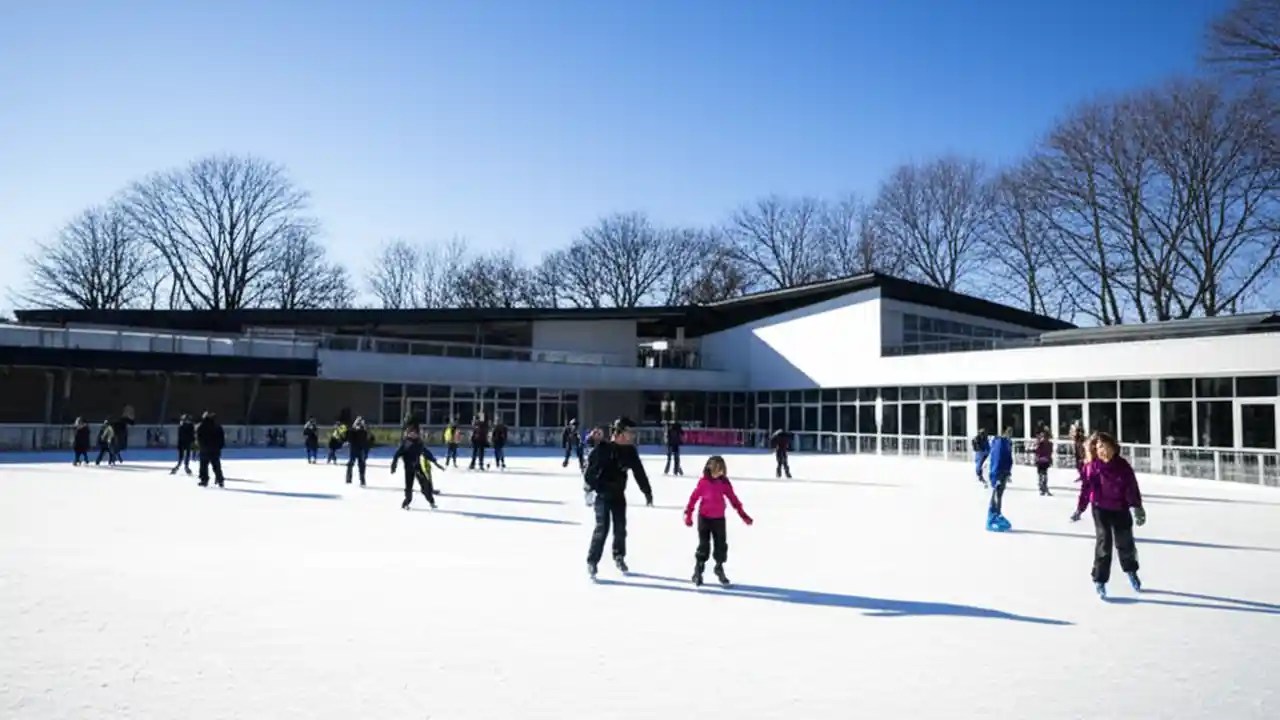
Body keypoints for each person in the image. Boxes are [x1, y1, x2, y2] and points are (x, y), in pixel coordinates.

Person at [1071, 432, 1145, 598]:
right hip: (1100, 508)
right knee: (1104, 543)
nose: (1102, 451)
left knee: (1125, 542)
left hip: (1120, 507)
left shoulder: (1122, 466)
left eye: (1104, 447)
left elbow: (1131, 487)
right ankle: (1100, 579)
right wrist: (1080, 508)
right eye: (1098, 448)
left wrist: (1137, 507)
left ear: (1113, 447)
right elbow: (1086, 489)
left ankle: (1131, 571)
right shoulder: (1093, 467)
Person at [584, 417, 654, 579]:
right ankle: (592, 561)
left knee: (620, 528)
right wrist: (595, 488)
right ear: (620, 433)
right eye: (630, 433)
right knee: (603, 528)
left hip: (618, 495)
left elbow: (639, 472)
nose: (633, 436)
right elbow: (589, 473)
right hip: (602, 496)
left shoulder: (630, 451)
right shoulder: (604, 449)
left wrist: (647, 491)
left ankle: (619, 556)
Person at [683, 455, 753, 587]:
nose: (719, 472)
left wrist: (743, 515)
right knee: (704, 545)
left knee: (721, 545)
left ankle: (719, 567)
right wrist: (688, 515)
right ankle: (698, 570)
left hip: (719, 519)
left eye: (721, 470)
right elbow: (693, 499)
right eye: (716, 469)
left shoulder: (724, 483)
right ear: (709, 468)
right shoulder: (703, 483)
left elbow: (733, 499)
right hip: (704, 518)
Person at [391, 426, 445, 510]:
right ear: (408, 434)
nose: (413, 435)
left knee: (425, 484)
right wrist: (394, 465)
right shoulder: (405, 443)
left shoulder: (419, 443)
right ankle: (406, 503)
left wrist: (435, 462)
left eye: (415, 433)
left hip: (417, 467)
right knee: (409, 487)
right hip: (409, 468)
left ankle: (431, 502)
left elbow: (426, 453)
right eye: (411, 433)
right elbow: (397, 454)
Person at [986, 427, 1014, 531]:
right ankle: (994, 515)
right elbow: (997, 460)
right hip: (999, 473)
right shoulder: (1000, 444)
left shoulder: (1006, 443)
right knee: (997, 494)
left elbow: (1008, 460)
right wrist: (995, 476)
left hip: (1003, 473)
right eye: (1009, 432)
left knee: (999, 494)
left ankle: (997, 513)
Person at [196, 411, 226, 488]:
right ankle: (220, 480)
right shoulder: (217, 426)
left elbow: (198, 438)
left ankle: (204, 480)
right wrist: (219, 447)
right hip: (215, 450)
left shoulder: (201, 426)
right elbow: (221, 439)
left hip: (204, 449)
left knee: (203, 466)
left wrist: (200, 446)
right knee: (216, 466)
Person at [345, 417, 371, 485]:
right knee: (358, 464)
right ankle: (359, 479)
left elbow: (368, 441)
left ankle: (356, 479)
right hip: (357, 449)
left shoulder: (363, 431)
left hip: (357, 449)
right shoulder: (360, 431)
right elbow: (368, 442)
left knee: (357, 464)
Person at [1034, 430, 1054, 496]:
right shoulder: (1049, 443)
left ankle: (1042, 488)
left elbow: (1037, 451)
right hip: (1044, 461)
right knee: (1043, 474)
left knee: (1041, 474)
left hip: (1041, 461)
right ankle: (1043, 488)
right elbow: (1050, 453)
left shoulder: (1041, 443)